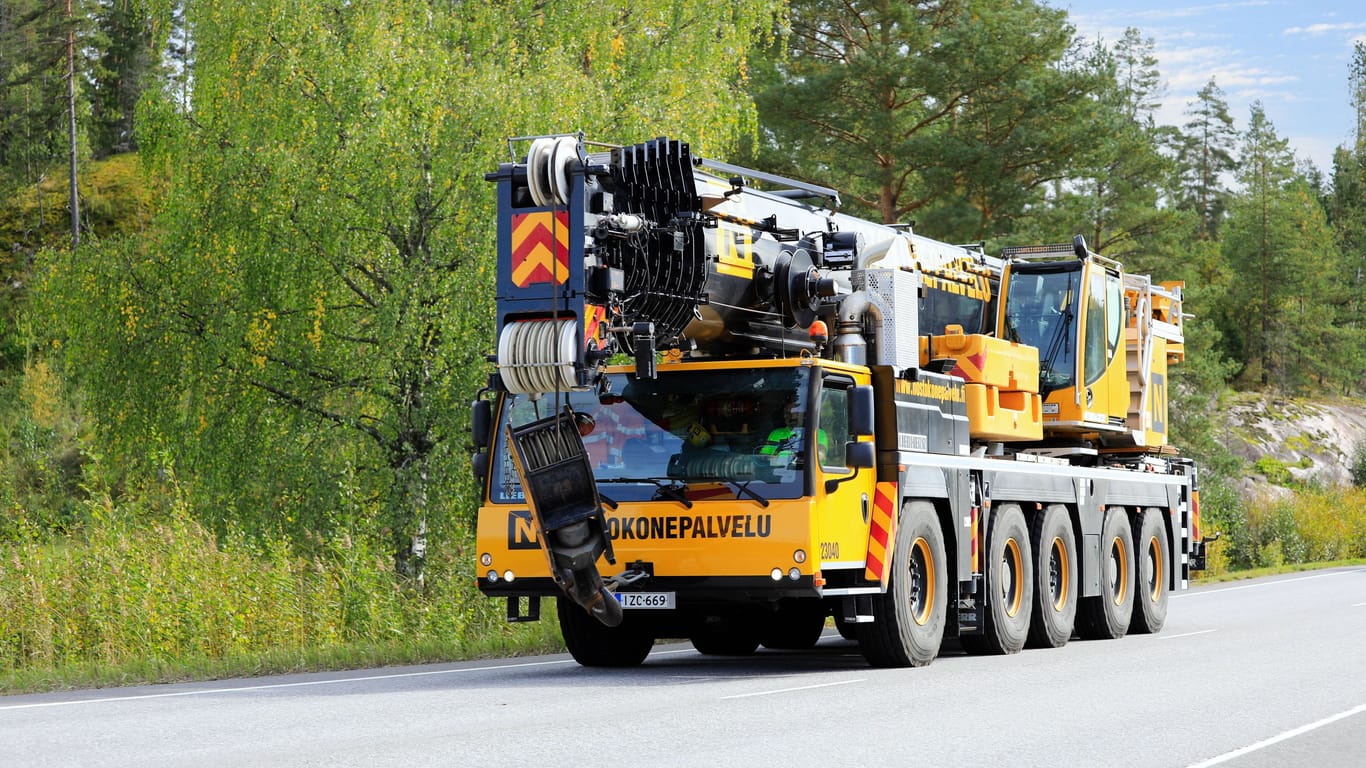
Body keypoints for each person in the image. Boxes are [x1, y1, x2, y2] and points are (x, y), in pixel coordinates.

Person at [758, 397, 828, 462]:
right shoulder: (776, 433)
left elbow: (820, 455)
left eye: (793, 413)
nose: (788, 416)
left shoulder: (816, 432)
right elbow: (762, 457)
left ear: (801, 414)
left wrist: (781, 459)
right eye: (786, 413)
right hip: (776, 473)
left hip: (805, 473)